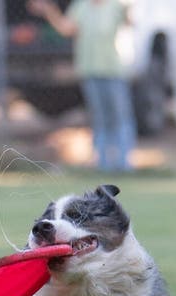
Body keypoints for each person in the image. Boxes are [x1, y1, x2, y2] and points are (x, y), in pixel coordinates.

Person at [27, 0, 136, 172]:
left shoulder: (116, 6)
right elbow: (66, 28)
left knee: (120, 116)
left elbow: (131, 22)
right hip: (90, 71)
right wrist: (50, 10)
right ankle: (104, 164)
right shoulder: (81, 6)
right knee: (100, 119)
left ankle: (124, 163)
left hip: (113, 71)